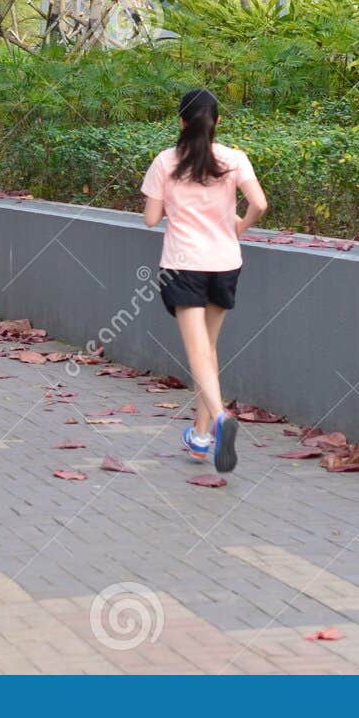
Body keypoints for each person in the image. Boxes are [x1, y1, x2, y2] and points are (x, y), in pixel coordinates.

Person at [140, 88, 268, 474]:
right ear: (217, 122)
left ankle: (219, 416)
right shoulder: (234, 159)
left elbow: (150, 219)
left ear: (181, 121)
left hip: (184, 263)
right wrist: (240, 226)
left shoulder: (165, 161)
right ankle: (200, 436)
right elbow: (260, 204)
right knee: (208, 350)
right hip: (226, 262)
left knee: (197, 351)